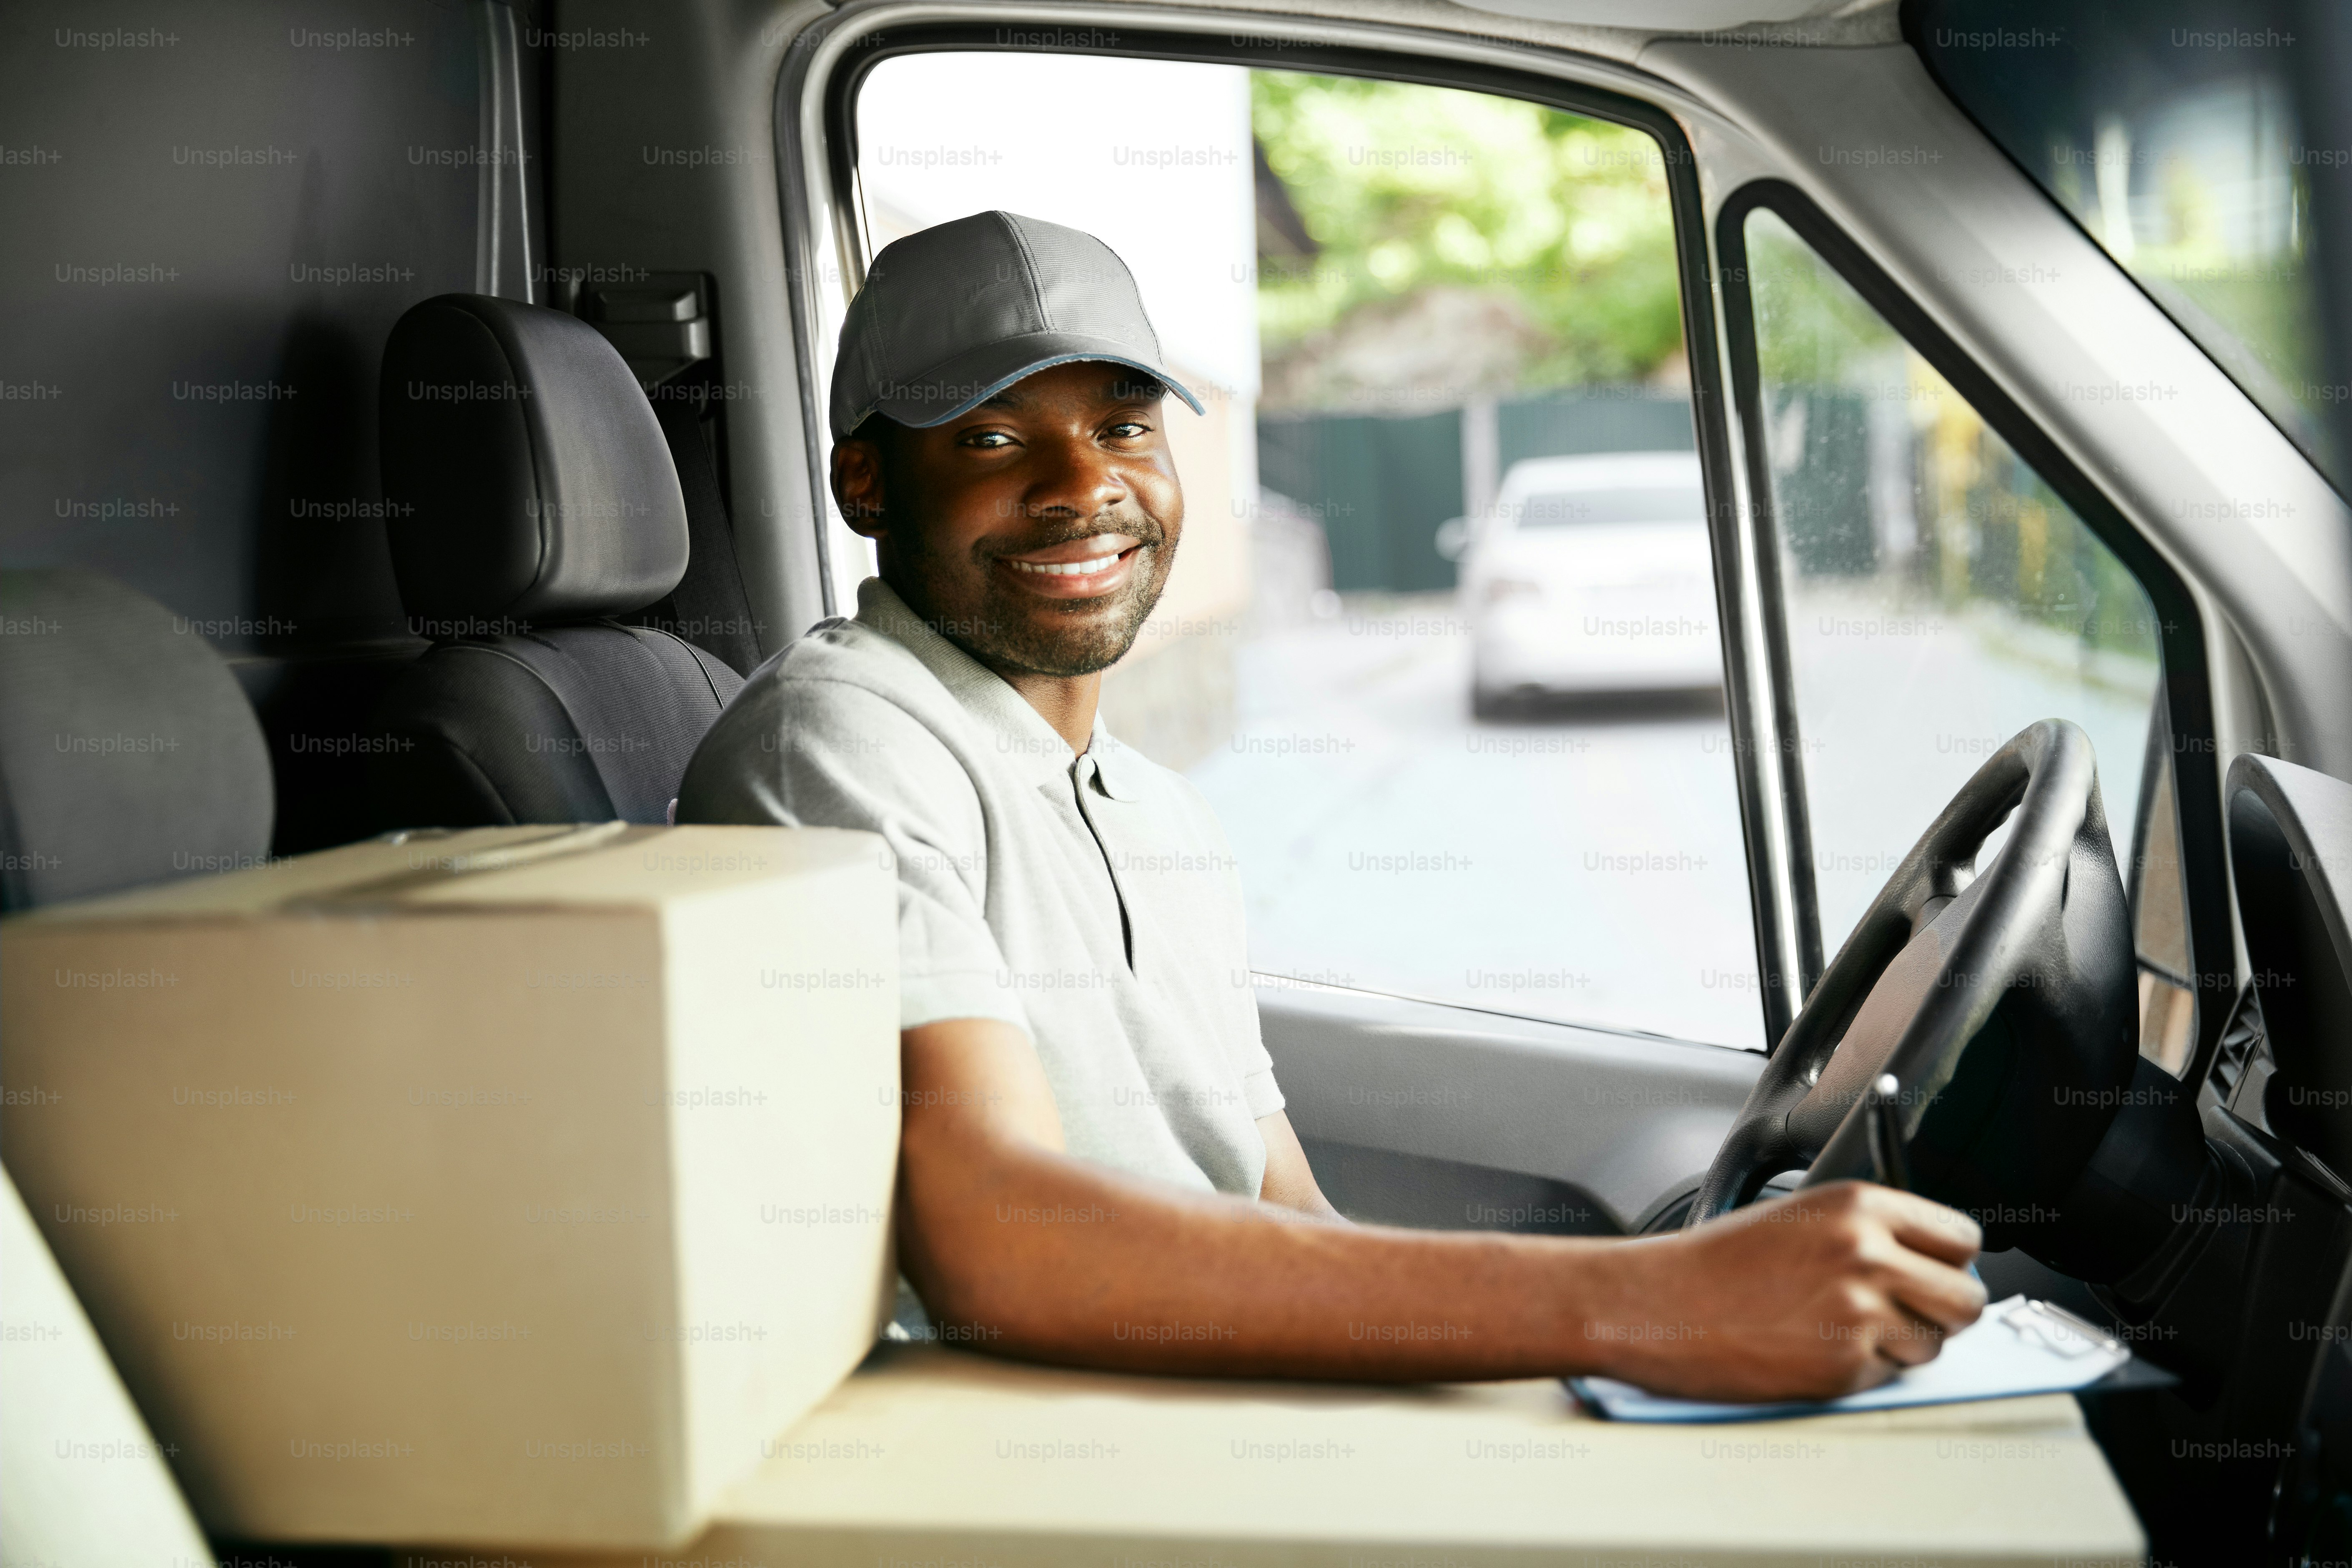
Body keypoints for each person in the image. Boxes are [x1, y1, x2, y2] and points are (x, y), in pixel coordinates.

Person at [677, 211, 1984, 1400]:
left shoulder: (1162, 816)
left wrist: (1578, 1359)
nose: (1084, 484)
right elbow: (1002, 1240)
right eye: (991, 438)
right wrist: (1648, 1302)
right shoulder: (836, 742)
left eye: (1123, 427)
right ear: (865, 483)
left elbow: (1286, 1211)